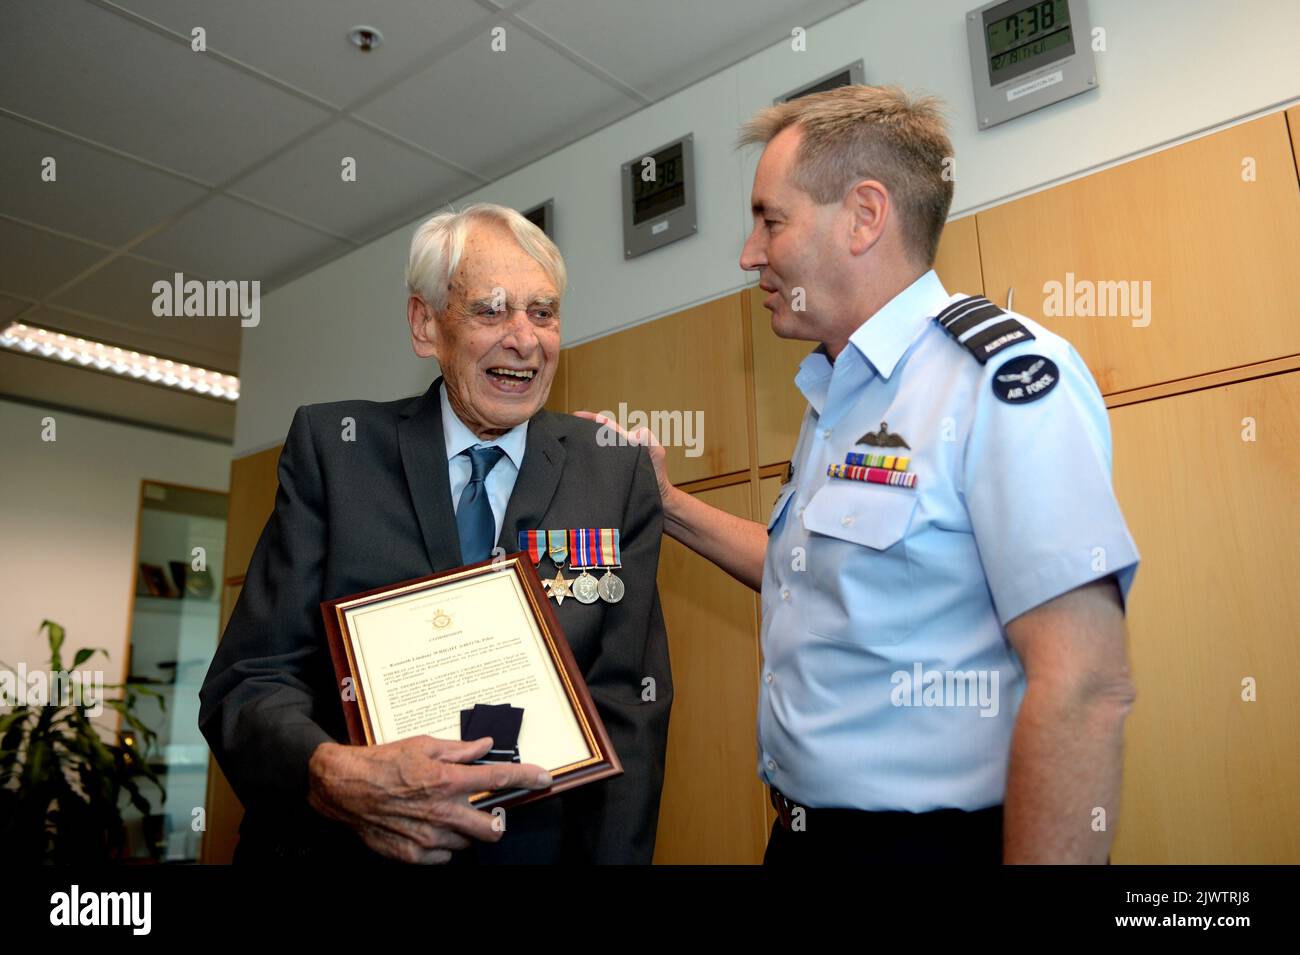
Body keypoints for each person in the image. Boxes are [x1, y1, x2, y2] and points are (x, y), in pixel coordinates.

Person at [582, 85, 1139, 864]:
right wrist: (664, 502)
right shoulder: (835, 398)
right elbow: (805, 572)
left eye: (770, 220)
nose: (749, 253)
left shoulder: (998, 377)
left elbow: (1084, 686)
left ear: (864, 215)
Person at [200, 203, 672, 865]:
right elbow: (251, 680)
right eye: (491, 310)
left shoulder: (613, 473)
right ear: (427, 325)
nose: (524, 338)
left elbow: (632, 710)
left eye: (543, 312)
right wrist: (335, 774)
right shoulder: (336, 454)